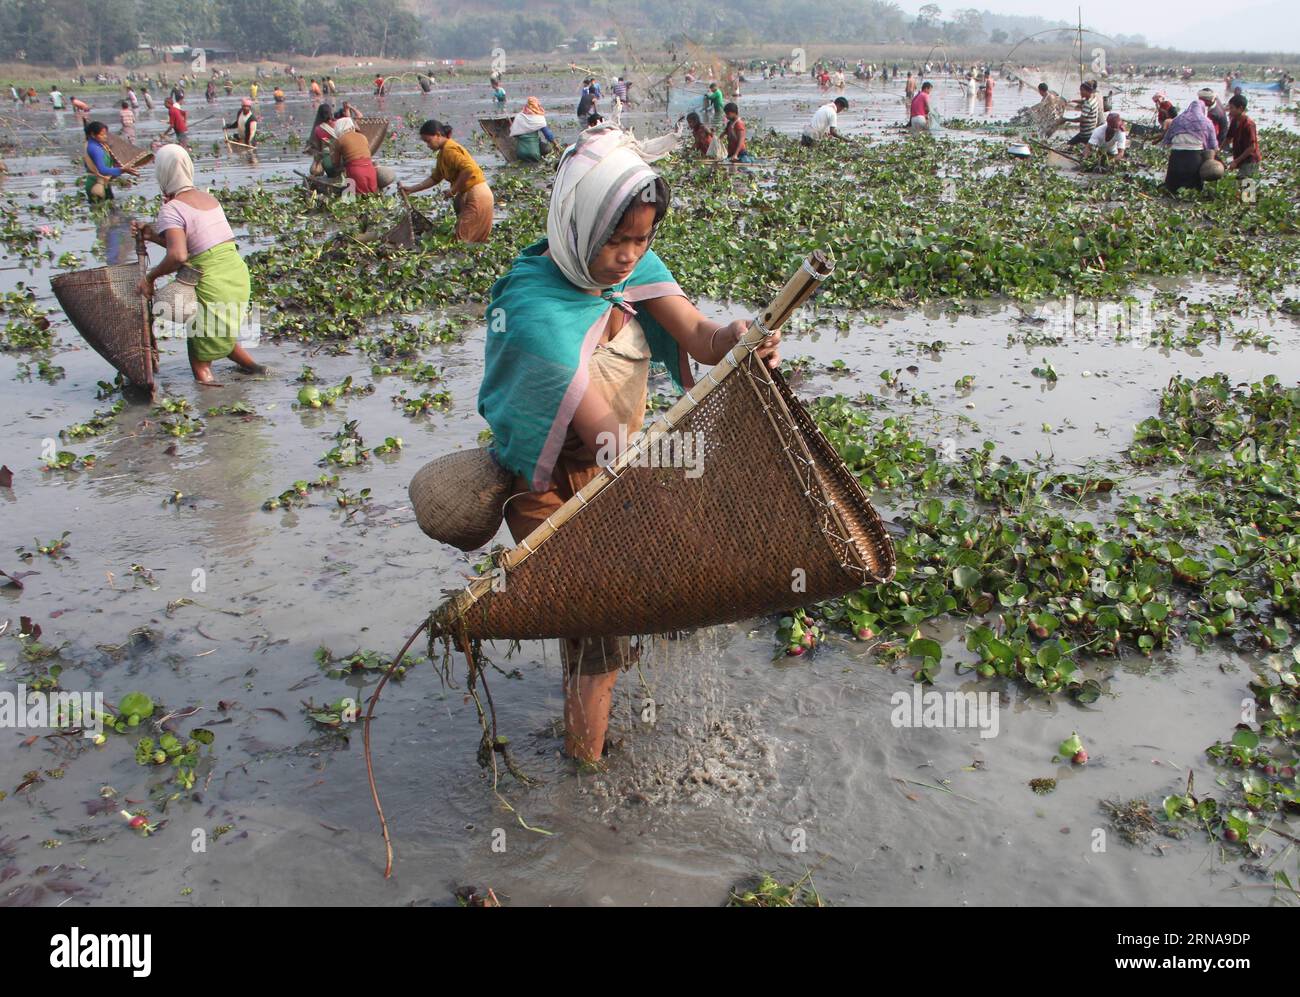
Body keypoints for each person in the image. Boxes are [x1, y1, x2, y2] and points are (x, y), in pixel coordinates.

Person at [476, 124, 780, 763]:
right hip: (551, 483)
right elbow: (608, 439)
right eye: (615, 239)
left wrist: (741, 337)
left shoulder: (635, 272)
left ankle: (585, 741)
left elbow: (700, 335)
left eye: (642, 239)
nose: (628, 255)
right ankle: (584, 768)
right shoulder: (534, 306)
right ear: (578, 223)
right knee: (597, 627)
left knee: (605, 627)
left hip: (623, 466)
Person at [132, 145, 259, 385]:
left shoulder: (171, 208)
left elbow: (179, 256)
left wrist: (149, 278)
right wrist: (150, 235)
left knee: (199, 352)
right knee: (216, 330)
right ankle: (258, 370)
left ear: (162, 173)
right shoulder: (209, 198)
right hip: (236, 276)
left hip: (210, 281)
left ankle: (212, 407)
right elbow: (197, 247)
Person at [399, 120, 494, 243]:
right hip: (476, 193)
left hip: (477, 194)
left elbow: (469, 169)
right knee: (473, 240)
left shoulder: (449, 150)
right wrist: (411, 189)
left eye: (428, 141)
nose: (428, 145)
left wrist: (453, 190)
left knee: (461, 240)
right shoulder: (443, 153)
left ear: (438, 135)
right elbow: (435, 178)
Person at [1161, 97, 1218, 192]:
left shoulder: (1177, 120)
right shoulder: (1206, 122)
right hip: (1194, 157)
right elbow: (1213, 145)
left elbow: (1167, 140)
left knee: (1173, 186)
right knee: (1193, 188)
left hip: (1176, 156)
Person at [82, 121, 138, 202]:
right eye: (102, 135)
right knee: (101, 210)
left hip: (103, 182)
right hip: (96, 184)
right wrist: (122, 170)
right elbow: (103, 170)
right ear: (93, 135)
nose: (105, 137)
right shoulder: (95, 148)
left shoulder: (99, 145)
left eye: (106, 134)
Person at [332, 112, 378, 193]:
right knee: (372, 196)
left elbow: (336, 163)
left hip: (355, 171)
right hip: (370, 169)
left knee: (358, 198)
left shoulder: (339, 141)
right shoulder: (363, 136)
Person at [1224, 94, 1261, 178]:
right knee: (1240, 184)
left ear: (1240, 108)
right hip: (1241, 158)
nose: (1230, 111)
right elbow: (1228, 138)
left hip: (1250, 161)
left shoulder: (1249, 125)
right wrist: (1218, 151)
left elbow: (1252, 147)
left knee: (1248, 187)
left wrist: (1236, 161)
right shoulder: (1234, 120)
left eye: (1232, 108)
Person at [508, 96, 556, 161]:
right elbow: (548, 135)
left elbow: (514, 133)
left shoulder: (519, 116)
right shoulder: (539, 118)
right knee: (547, 148)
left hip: (520, 153)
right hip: (534, 153)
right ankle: (540, 156)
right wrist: (555, 144)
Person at [1066, 81, 1101, 145]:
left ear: (1087, 91)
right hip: (1091, 131)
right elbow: (1083, 101)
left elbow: (1081, 119)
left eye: (1082, 90)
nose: (1080, 93)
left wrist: (1066, 119)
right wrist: (1072, 101)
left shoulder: (1088, 104)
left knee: (1069, 145)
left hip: (1086, 134)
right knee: (1070, 144)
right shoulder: (1093, 98)